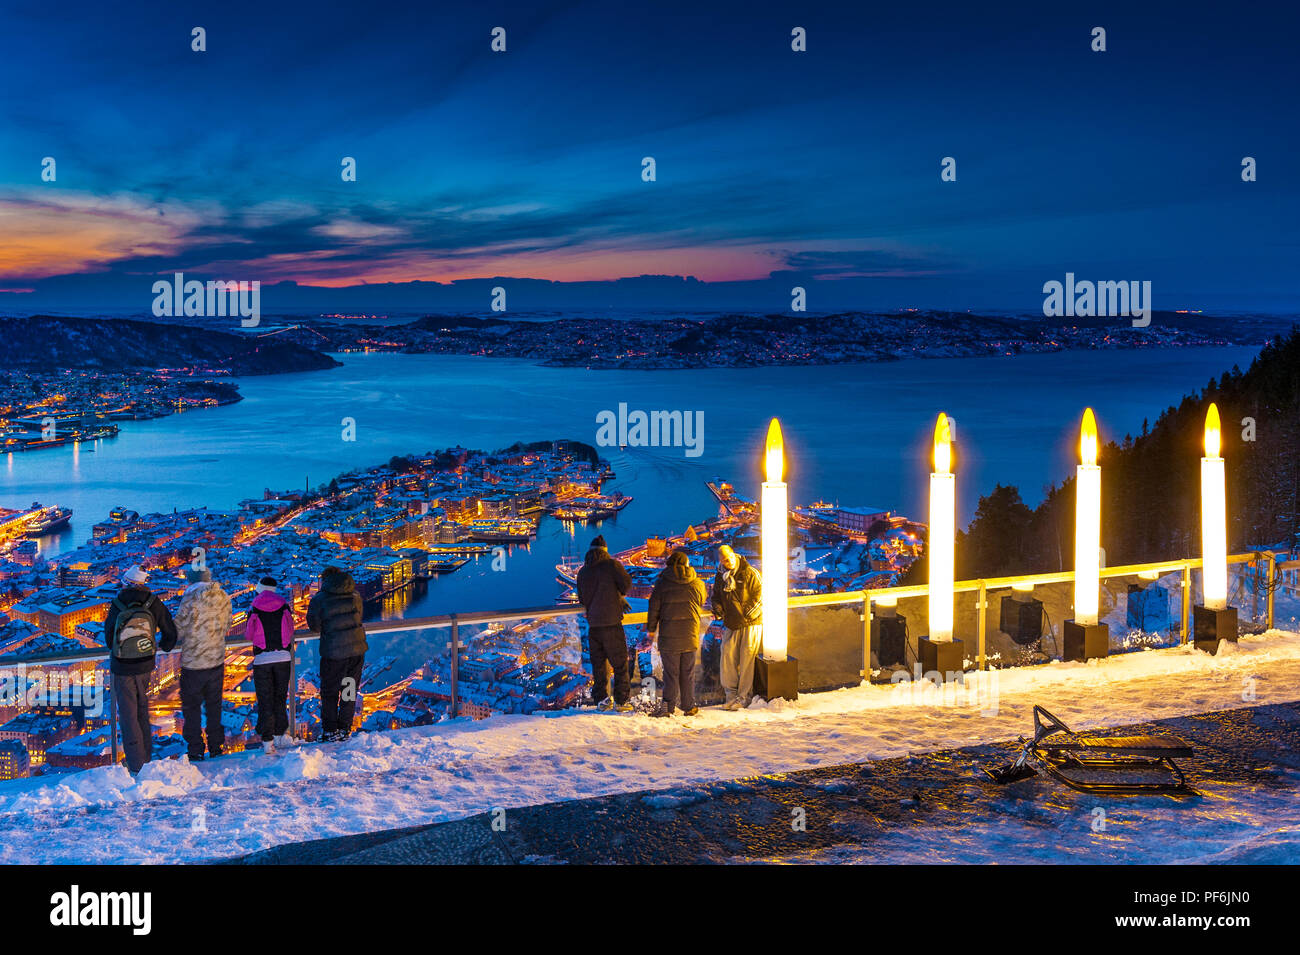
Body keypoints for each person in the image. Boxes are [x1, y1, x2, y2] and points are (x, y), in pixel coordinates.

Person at [103, 565, 178, 774]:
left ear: (127, 582)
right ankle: (146, 755)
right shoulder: (153, 602)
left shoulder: (117, 603)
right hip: (146, 662)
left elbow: (110, 637)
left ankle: (136, 764)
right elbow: (170, 631)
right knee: (142, 708)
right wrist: (162, 647)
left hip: (122, 664)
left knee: (128, 714)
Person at [174, 565, 232, 761]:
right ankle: (216, 747)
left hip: (194, 662)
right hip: (216, 659)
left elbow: (179, 630)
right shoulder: (223, 596)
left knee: (192, 709)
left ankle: (196, 749)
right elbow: (228, 625)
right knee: (214, 706)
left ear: (191, 580)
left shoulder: (190, 598)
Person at [307, 566, 367, 742]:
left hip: (334, 652)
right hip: (356, 650)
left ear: (325, 580)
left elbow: (315, 626)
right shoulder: (355, 596)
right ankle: (344, 729)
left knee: (330, 691)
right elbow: (359, 618)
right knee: (349, 689)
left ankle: (330, 731)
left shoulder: (320, 599)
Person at [646, 549, 707, 717]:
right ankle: (688, 706)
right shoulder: (697, 583)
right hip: (690, 635)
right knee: (687, 673)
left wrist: (651, 630)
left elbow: (653, 609)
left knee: (670, 674)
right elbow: (702, 600)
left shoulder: (662, 584)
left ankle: (668, 708)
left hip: (669, 637)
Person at [575, 534, 633, 710]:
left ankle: (601, 701)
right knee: (621, 664)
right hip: (612, 623)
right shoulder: (612, 565)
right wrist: (618, 596)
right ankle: (622, 701)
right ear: (605, 551)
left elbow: (583, 599)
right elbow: (626, 585)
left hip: (594, 626)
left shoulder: (583, 571)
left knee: (599, 665)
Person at [245, 576, 296, 753]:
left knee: (265, 700)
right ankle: (281, 735)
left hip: (262, 659)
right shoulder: (284, 604)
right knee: (280, 698)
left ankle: (267, 741)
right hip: (283, 657)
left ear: (260, 588)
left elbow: (249, 634)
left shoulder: (254, 607)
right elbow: (290, 630)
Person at [711, 544, 763, 710]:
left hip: (751, 623)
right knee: (727, 659)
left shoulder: (750, 572)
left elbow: (761, 594)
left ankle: (744, 697)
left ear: (734, 555)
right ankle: (731, 696)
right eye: (725, 560)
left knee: (747, 660)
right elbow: (716, 597)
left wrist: (748, 613)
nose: (729, 562)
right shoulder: (720, 576)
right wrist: (718, 609)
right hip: (731, 623)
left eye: (730, 558)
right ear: (720, 561)